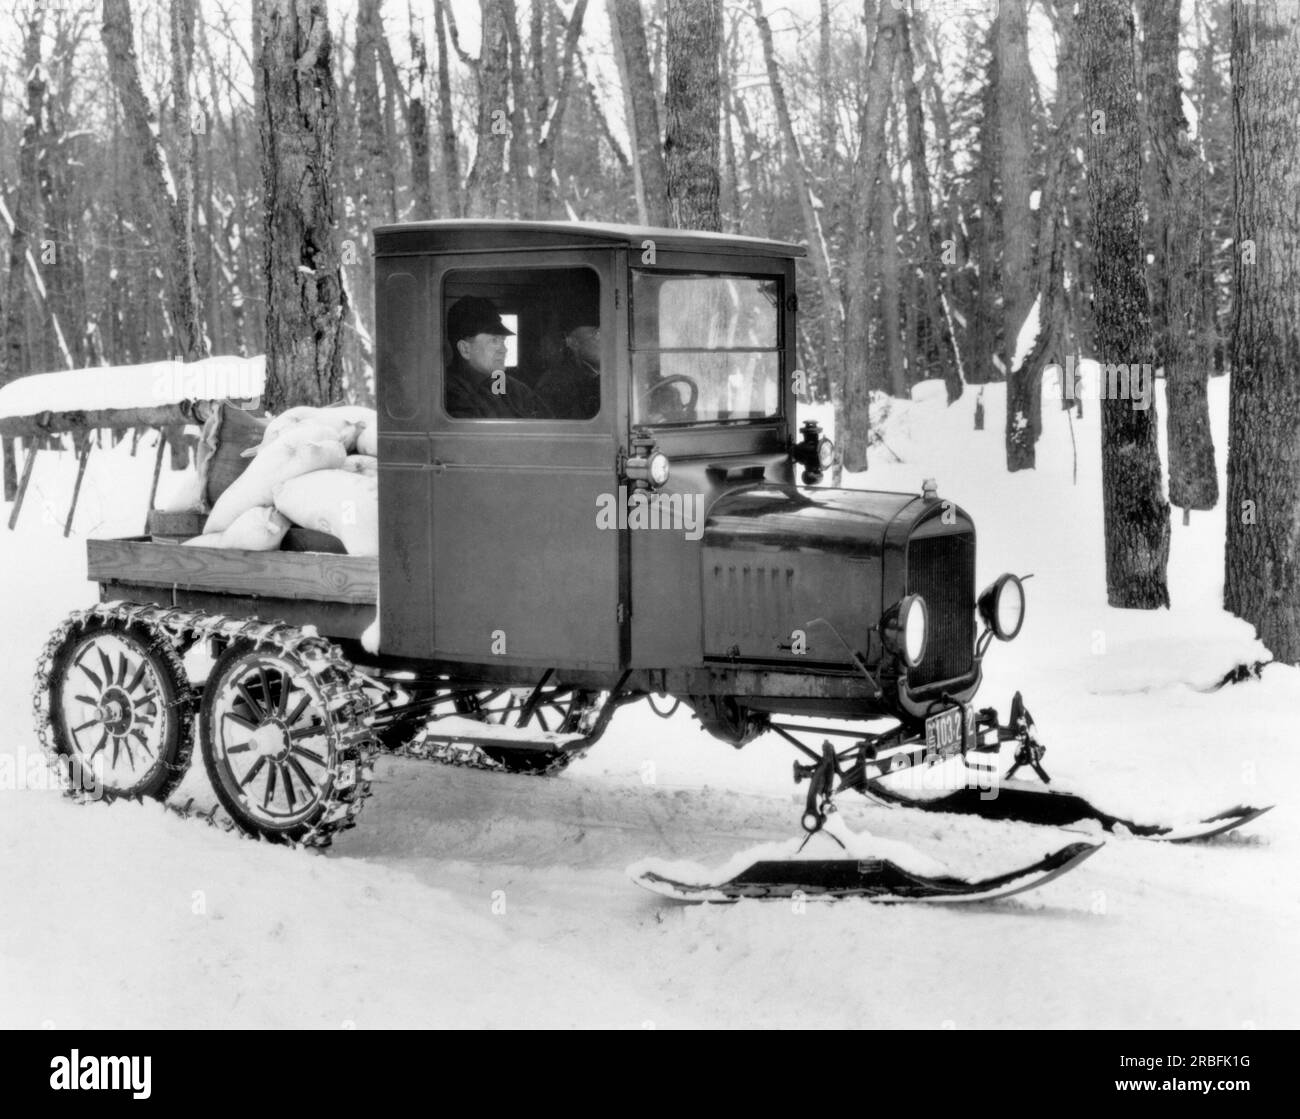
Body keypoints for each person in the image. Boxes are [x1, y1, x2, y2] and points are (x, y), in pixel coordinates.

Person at [444, 296, 550, 419]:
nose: (504, 349)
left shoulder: (515, 388)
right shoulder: (449, 394)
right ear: (465, 349)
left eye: (503, 340)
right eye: (494, 340)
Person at [537, 312, 601, 420]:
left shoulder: (611, 374)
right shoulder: (555, 381)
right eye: (595, 334)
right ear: (573, 343)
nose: (602, 340)